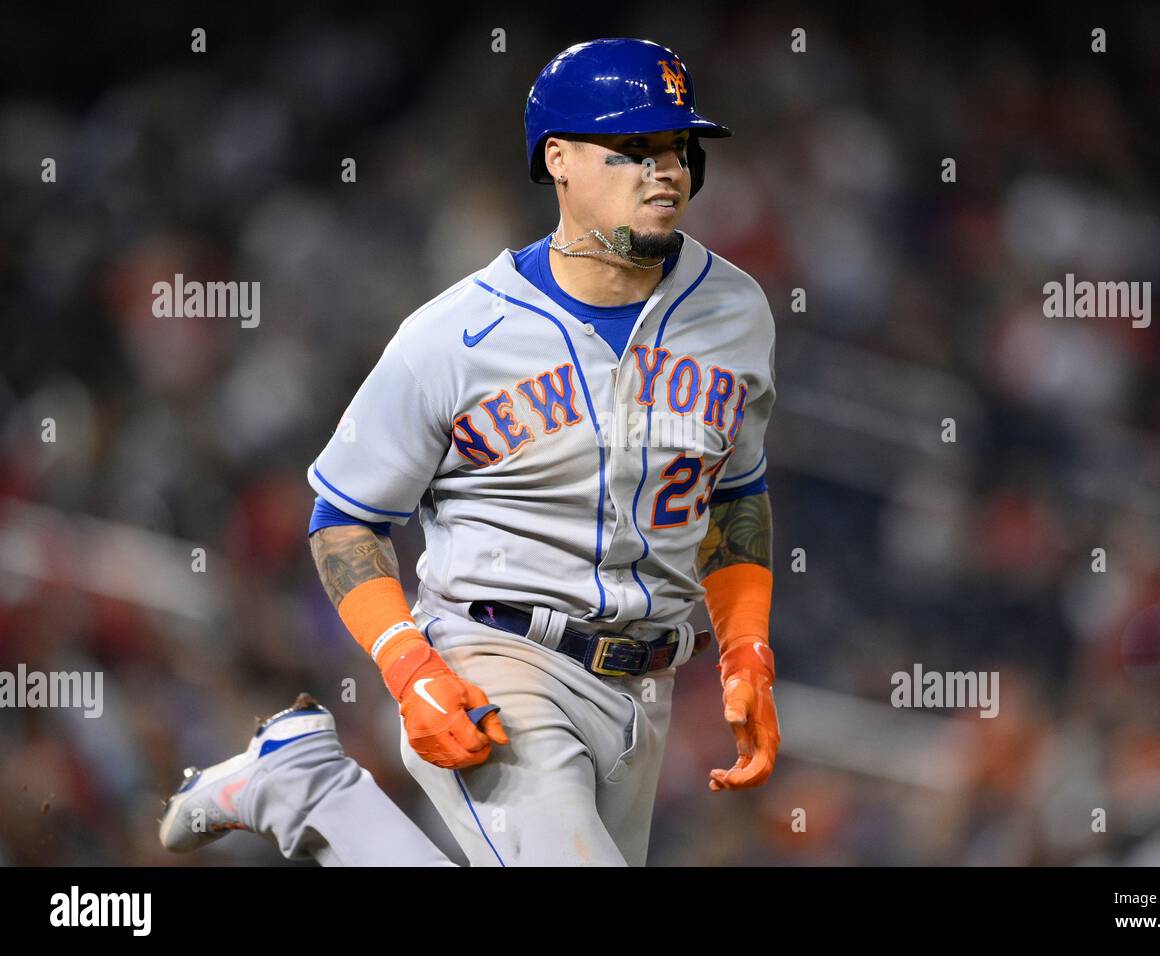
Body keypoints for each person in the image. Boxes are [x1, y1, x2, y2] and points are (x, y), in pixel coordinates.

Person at [160, 37, 780, 867]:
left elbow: (735, 492)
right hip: (496, 656)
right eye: (632, 149)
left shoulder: (737, 311)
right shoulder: (454, 334)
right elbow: (344, 519)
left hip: (647, 688)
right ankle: (312, 793)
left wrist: (746, 645)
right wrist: (407, 664)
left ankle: (313, 793)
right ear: (558, 160)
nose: (664, 170)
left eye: (676, 148)